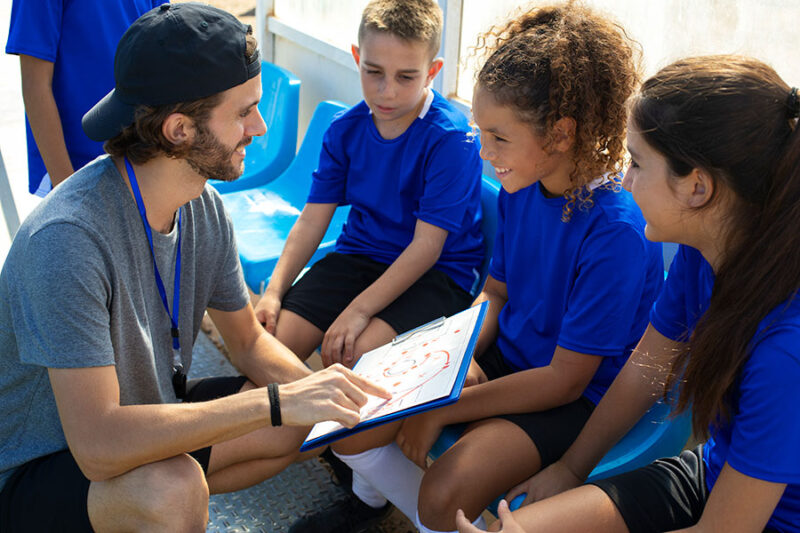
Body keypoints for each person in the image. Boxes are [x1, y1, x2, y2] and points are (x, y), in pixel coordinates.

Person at [0, 4, 389, 532]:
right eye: (244, 112)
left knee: (294, 426)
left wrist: (336, 399)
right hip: (38, 467)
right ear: (180, 129)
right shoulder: (67, 239)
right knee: (173, 488)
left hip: (139, 417)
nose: (260, 127)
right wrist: (276, 403)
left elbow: (249, 343)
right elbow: (97, 447)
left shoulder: (203, 207)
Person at [292, 4, 665, 533]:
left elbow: (564, 381)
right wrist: (458, 356)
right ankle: (375, 509)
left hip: (573, 399)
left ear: (560, 135)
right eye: (480, 132)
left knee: (444, 494)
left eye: (499, 138)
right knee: (349, 426)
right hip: (505, 358)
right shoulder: (522, 186)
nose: (485, 152)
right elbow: (494, 293)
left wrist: (444, 408)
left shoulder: (615, 232)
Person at [456, 56, 800, 533]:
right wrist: (571, 468)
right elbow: (644, 371)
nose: (625, 180)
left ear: (697, 187)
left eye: (637, 163)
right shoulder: (701, 253)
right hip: (709, 474)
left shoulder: (786, 351)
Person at [254, 0, 484, 372]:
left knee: (355, 356)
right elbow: (311, 220)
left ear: (432, 72)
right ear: (357, 57)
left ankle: (312, 404)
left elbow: (426, 247)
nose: (386, 91)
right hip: (358, 257)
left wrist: (357, 310)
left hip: (437, 275)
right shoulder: (345, 129)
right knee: (271, 347)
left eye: (405, 77)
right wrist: (275, 292)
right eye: (374, 71)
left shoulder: (451, 139)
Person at [5, 0, 166, 196]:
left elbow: (162, 56)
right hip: (79, 169)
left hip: (145, 160)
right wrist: (66, 189)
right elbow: (36, 84)